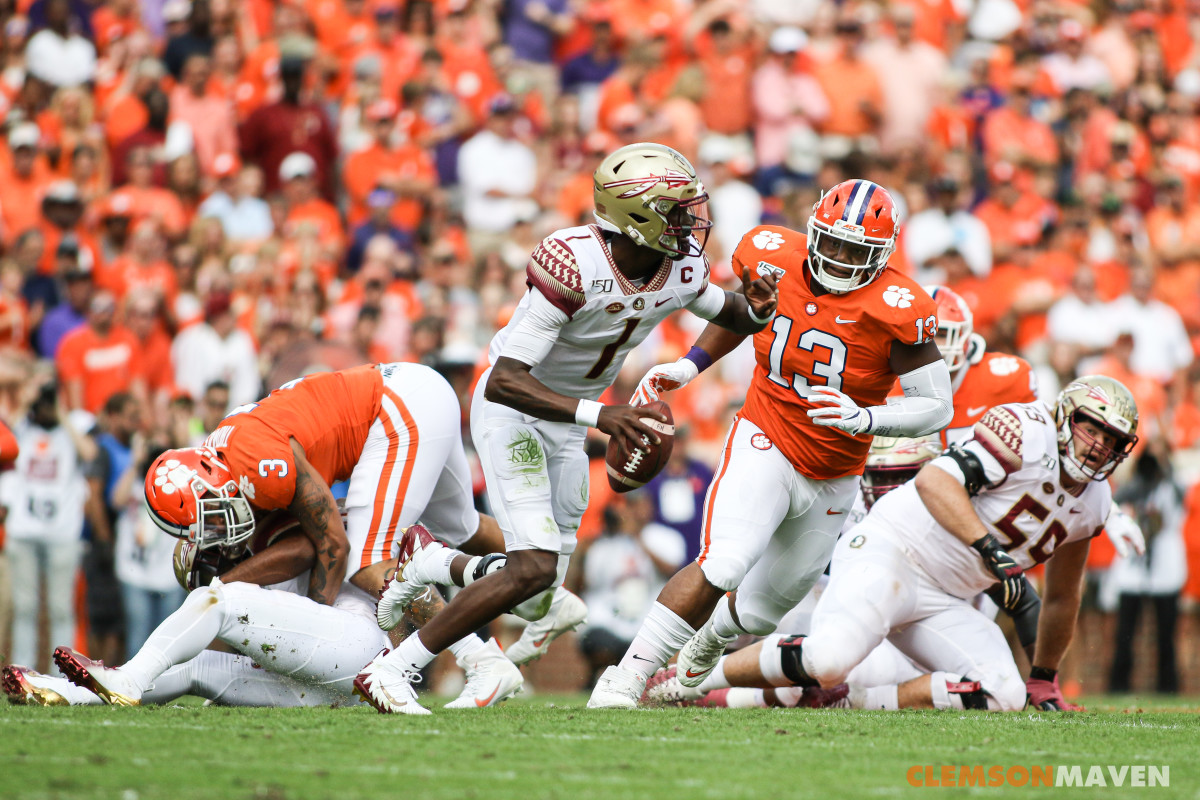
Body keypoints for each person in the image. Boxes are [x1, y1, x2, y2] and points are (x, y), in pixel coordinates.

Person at [356, 141, 779, 714]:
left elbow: (729, 312)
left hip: (571, 421)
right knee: (532, 567)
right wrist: (603, 415)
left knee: (537, 591)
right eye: (676, 211)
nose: (689, 224)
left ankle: (437, 566)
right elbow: (503, 380)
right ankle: (393, 666)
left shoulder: (678, 269)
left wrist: (757, 309)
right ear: (637, 215)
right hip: (515, 413)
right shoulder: (573, 262)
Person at [588, 179, 954, 708]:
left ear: (883, 254)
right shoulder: (773, 255)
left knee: (761, 611)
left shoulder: (896, 306)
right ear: (813, 230)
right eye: (833, 243)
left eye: (857, 251)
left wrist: (866, 417)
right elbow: (744, 315)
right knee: (725, 562)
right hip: (767, 435)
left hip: (835, 471)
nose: (841, 258)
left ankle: (709, 640)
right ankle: (626, 676)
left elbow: (937, 406)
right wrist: (689, 365)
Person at [54, 362, 521, 708]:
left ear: (208, 480)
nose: (217, 531)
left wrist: (232, 584)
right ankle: (542, 571)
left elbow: (330, 546)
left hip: (397, 408)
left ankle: (481, 656)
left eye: (209, 519)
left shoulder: (254, 465)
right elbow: (310, 545)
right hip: (412, 392)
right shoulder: (233, 454)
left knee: (364, 561)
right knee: (460, 529)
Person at [672, 376, 1139, 712]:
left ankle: (854, 702)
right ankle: (689, 679)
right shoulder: (1026, 433)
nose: (1098, 446)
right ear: (1064, 416)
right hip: (893, 551)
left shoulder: (1096, 502)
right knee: (828, 659)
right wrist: (991, 551)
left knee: (1005, 694)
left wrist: (1044, 678)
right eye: (1091, 428)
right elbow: (936, 480)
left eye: (1112, 440)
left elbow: (1062, 596)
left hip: (947, 597)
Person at [0, 380, 93, 673]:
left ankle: (62, 677)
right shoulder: (22, 428)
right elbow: (5, 437)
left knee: (60, 609)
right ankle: (22, 676)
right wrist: (26, 402)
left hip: (62, 534)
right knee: (24, 609)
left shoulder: (74, 425)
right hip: (24, 532)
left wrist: (61, 412)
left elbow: (90, 453)